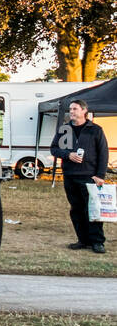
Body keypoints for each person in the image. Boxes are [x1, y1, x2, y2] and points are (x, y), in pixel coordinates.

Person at [49, 99, 109, 254]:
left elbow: (103, 153)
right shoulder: (64, 130)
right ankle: (82, 240)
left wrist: (100, 175)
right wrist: (68, 155)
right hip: (70, 175)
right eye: (70, 109)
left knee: (93, 209)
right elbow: (54, 149)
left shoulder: (95, 130)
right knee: (76, 209)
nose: (72, 112)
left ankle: (97, 242)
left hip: (89, 176)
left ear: (84, 111)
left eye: (75, 109)